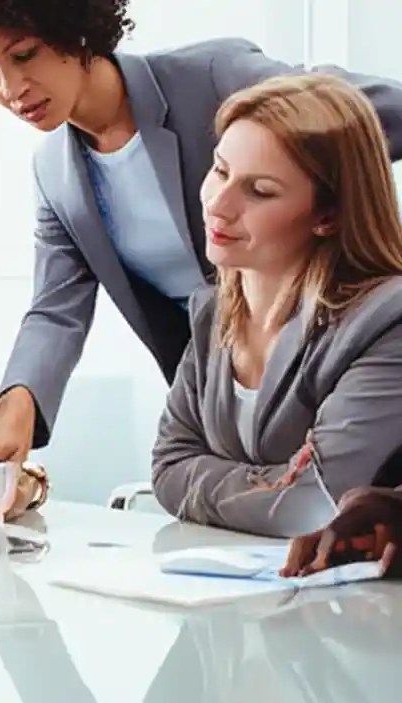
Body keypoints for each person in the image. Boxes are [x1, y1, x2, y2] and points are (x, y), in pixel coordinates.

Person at [0, 0, 402, 465]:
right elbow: (56, 311)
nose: (11, 90)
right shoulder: (55, 175)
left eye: (24, 55)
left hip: (334, 365)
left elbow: (359, 115)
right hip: (231, 406)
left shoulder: (212, 78)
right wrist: (15, 408)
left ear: (72, 26)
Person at [152, 74, 402, 538]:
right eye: (220, 171)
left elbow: (313, 502)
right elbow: (168, 467)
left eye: (260, 191)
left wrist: (206, 481)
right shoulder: (213, 314)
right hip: (251, 590)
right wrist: (271, 487)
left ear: (328, 215)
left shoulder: (387, 320)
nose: (218, 205)